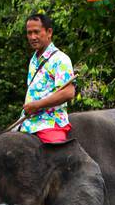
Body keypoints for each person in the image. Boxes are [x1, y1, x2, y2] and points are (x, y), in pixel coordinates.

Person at [18, 13, 76, 144]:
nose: (32, 37)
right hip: (27, 123)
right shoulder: (33, 60)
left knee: (59, 159)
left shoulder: (60, 59)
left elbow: (68, 92)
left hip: (49, 123)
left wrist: (37, 105)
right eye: (29, 33)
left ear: (49, 32)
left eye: (36, 32)